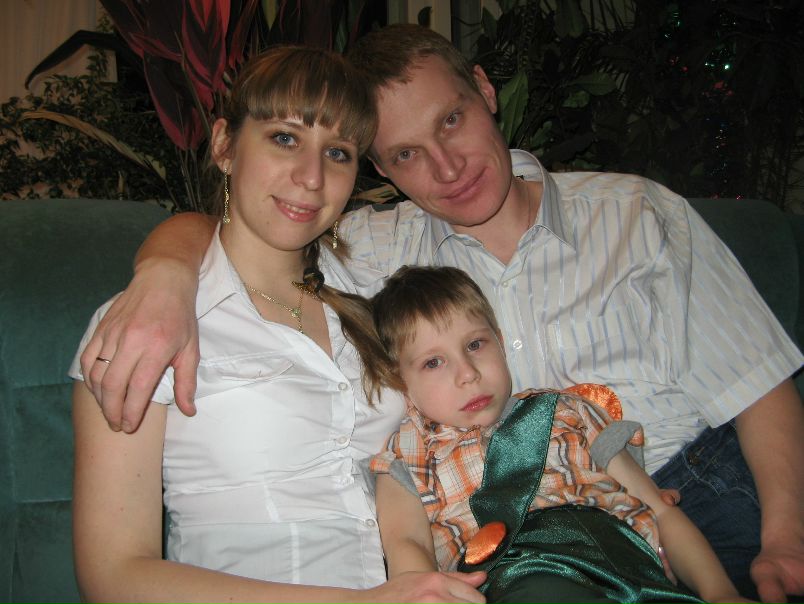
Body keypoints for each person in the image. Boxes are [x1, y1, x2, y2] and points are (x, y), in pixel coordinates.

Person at [77, 24, 804, 604]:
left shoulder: (635, 212)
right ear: (384, 173)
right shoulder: (366, 257)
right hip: (503, 548)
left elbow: (757, 377)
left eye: (451, 120)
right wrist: (165, 273)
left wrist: (786, 536)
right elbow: (243, 233)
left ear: (485, 91)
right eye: (406, 154)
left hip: (684, 490)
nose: (447, 167)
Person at [69, 45, 487, 604]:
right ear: (224, 145)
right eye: (285, 138)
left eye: (337, 153)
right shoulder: (145, 325)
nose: (311, 178)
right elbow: (113, 577)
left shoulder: (375, 296)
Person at [362, 264, 753, 604]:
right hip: (514, 578)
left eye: (475, 344)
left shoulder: (567, 410)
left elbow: (660, 510)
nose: (468, 373)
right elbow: (407, 546)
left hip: (627, 561)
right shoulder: (409, 453)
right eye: (433, 362)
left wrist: (720, 592)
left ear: (500, 340)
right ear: (399, 380)